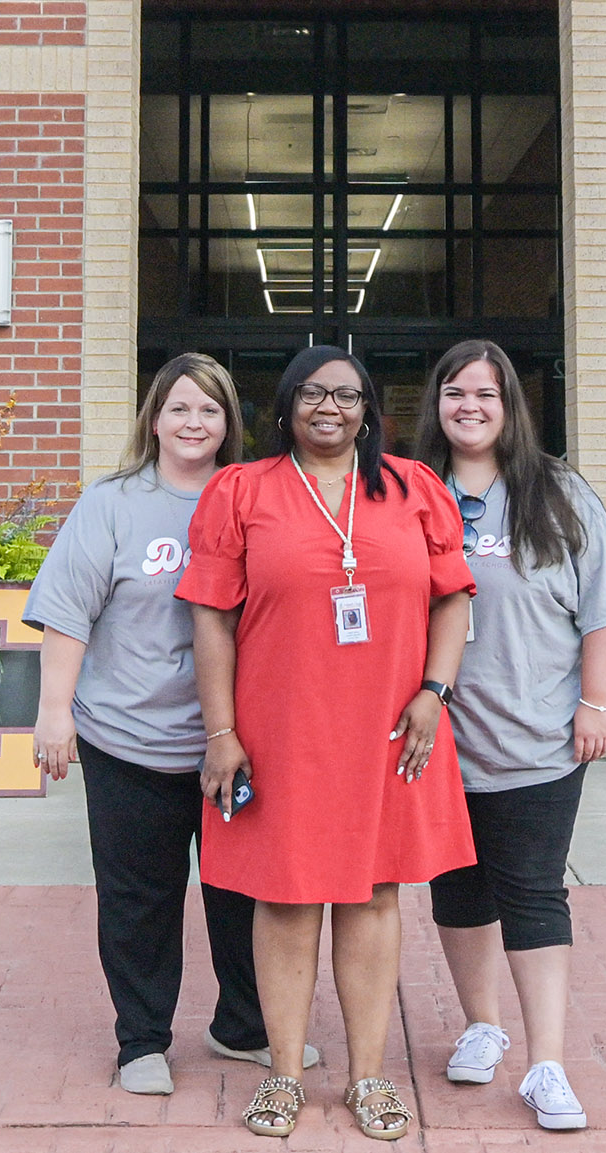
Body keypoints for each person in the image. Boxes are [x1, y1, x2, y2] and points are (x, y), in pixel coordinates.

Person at [180, 346, 476, 1142]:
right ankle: (281, 1073)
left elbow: (453, 601)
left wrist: (433, 692)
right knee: (284, 897)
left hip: (389, 726)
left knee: (376, 892)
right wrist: (222, 731)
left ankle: (369, 1077)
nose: (329, 407)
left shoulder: (415, 488)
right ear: (284, 406)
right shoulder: (240, 489)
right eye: (311, 392)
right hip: (280, 730)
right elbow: (210, 616)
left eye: (347, 394)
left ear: (370, 408)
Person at [25, 353, 318, 1096]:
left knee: (241, 891)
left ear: (231, 424)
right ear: (154, 418)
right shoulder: (114, 503)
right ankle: (142, 1038)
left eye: (210, 410)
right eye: (179, 408)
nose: (194, 423)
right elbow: (68, 613)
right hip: (128, 738)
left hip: (232, 744)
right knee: (139, 895)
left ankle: (244, 1025)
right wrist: (53, 712)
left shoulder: (259, 497)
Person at [412, 338, 606, 1134]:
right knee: (457, 889)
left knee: (533, 892)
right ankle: (484, 1024)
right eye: (454, 391)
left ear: (510, 404)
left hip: (538, 735)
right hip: (436, 741)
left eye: (485, 392)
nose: (469, 405)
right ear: (436, 403)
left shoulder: (556, 492)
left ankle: (547, 1061)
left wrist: (595, 702)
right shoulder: (410, 491)